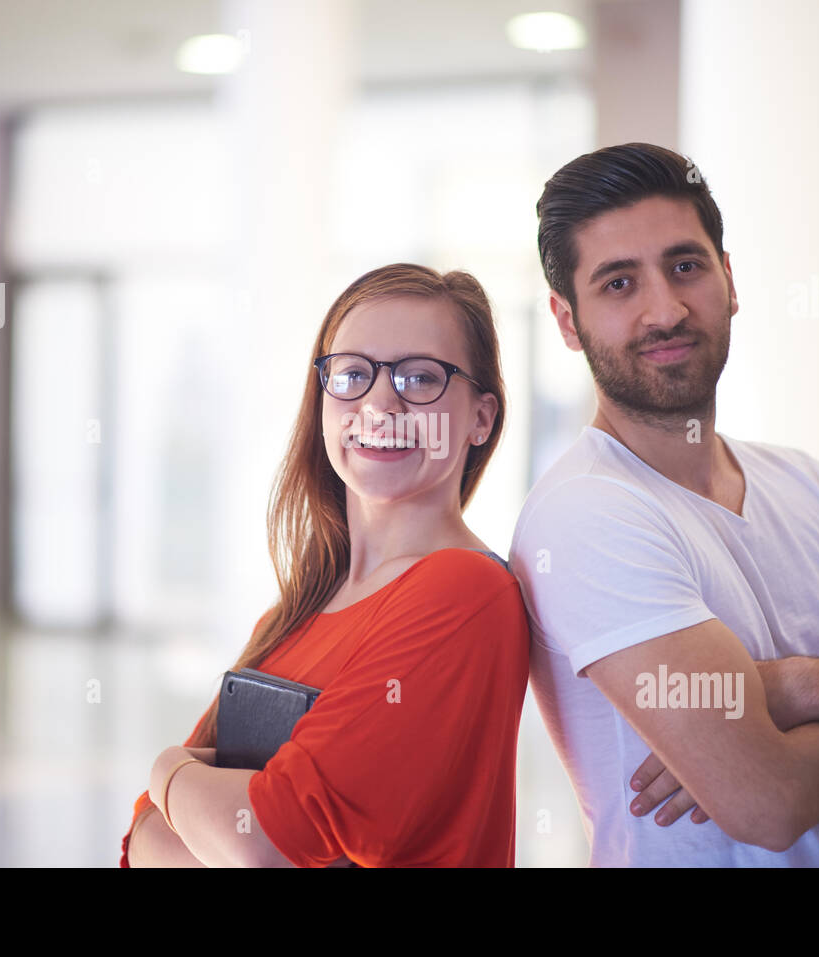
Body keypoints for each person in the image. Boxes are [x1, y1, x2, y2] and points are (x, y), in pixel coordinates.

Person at [509, 143, 819, 866]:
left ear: (729, 278)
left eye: (686, 266)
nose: (666, 309)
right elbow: (767, 804)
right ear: (565, 320)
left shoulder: (807, 485)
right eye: (619, 283)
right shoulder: (587, 514)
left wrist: (797, 684)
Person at [122, 263, 530, 867]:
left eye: (420, 377)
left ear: (481, 418)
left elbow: (259, 844)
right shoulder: (291, 615)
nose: (379, 403)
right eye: (352, 374)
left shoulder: (465, 592)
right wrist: (188, 806)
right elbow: (146, 839)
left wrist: (167, 767)